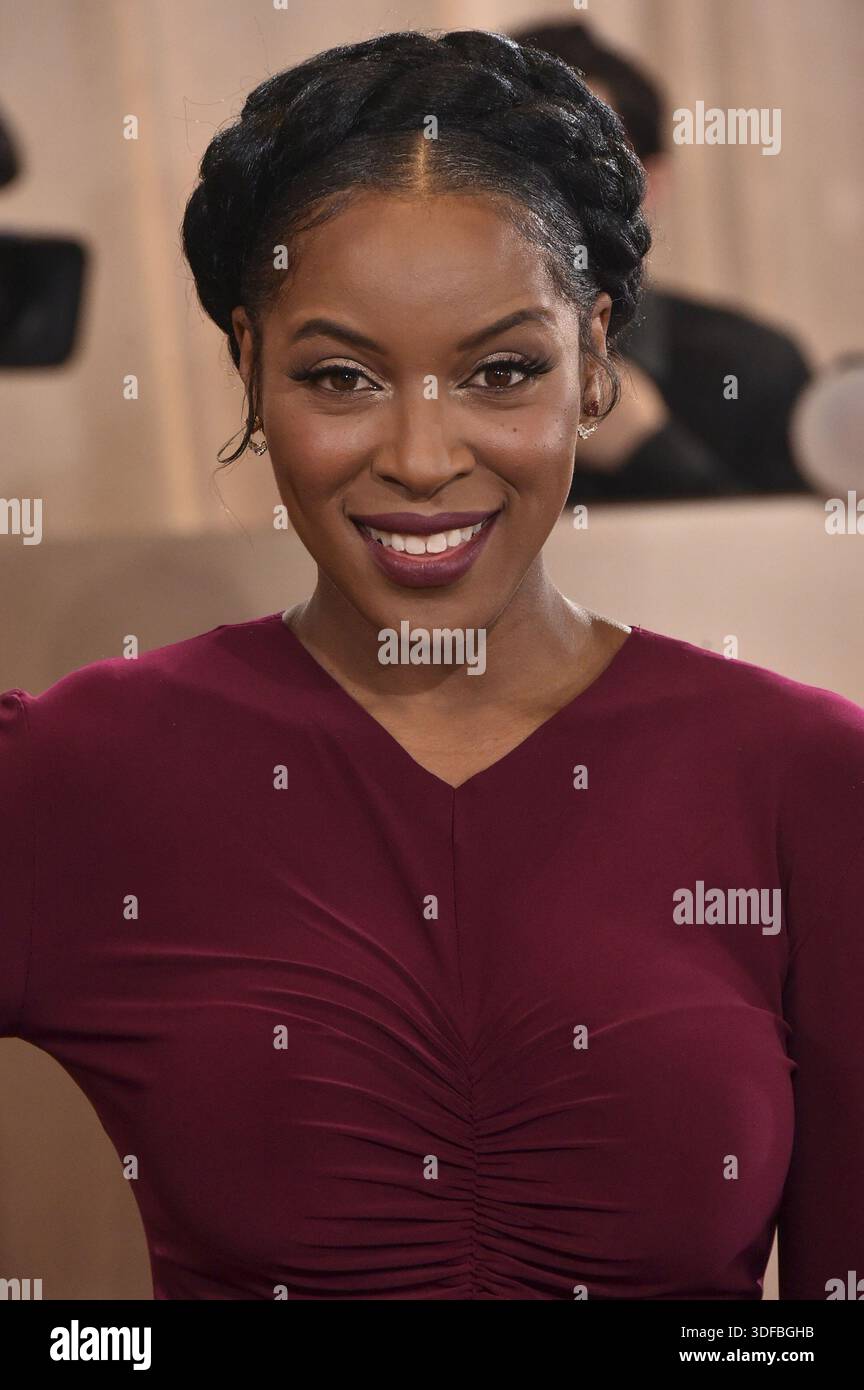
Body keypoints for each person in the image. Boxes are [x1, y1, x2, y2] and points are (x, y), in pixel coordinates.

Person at [1, 29, 862, 1301]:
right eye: (339, 376)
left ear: (597, 358)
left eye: (503, 370)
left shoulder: (804, 777)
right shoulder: (87, 770)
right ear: (248, 365)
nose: (418, 454)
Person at [510, 19, 813, 503]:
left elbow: (806, 567)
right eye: (509, 161)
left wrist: (650, 450)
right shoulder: (416, 363)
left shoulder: (755, 369)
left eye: (584, 164)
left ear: (651, 184)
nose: (542, 194)